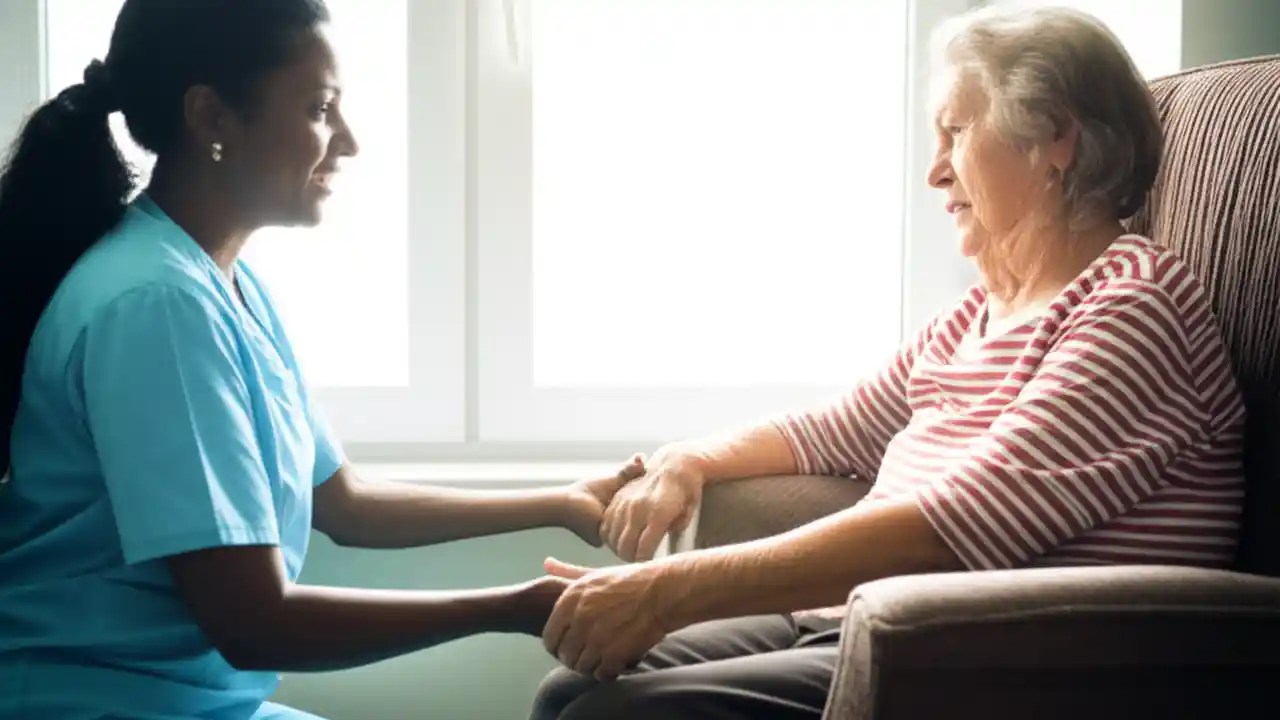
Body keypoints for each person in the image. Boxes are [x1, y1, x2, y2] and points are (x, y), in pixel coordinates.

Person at [531, 6, 1247, 720]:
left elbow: (949, 529)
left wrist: (667, 591)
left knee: (615, 715)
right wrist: (689, 460)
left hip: (1005, 661)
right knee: (570, 691)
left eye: (956, 132)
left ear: (1055, 138)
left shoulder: (1133, 308)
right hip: (875, 627)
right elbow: (826, 432)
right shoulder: (976, 315)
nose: (935, 172)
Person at [0, 2, 641, 718]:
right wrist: (517, 605)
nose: (349, 142)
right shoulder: (155, 306)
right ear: (210, 117)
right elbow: (255, 623)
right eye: (319, 109)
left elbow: (345, 503)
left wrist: (560, 502)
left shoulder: (219, 284)